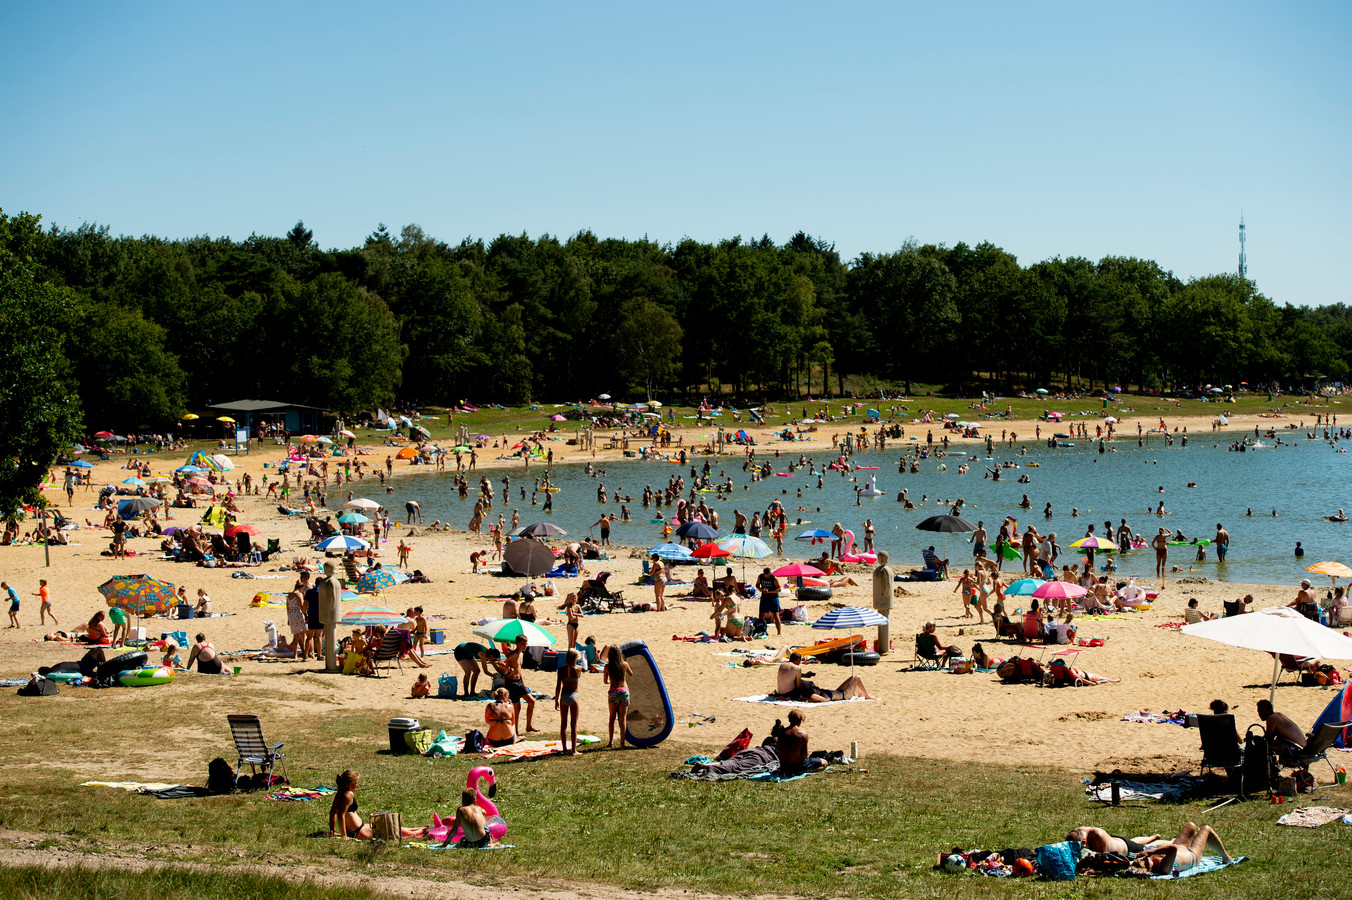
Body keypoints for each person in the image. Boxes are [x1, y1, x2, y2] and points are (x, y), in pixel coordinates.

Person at [328, 770, 427, 840]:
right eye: (356, 783)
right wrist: (344, 835)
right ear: (348, 784)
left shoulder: (340, 793)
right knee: (391, 830)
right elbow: (341, 815)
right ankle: (418, 832)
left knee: (389, 826)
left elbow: (333, 812)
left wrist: (333, 830)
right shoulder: (348, 795)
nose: (357, 785)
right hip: (359, 831)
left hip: (357, 829)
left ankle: (416, 828)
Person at [1132, 823, 1234, 875]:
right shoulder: (1163, 868)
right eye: (1145, 862)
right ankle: (1226, 858)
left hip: (1180, 846)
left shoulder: (1153, 859)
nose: (1145, 859)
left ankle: (1195, 840)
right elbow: (1172, 849)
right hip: (1192, 855)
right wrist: (1150, 852)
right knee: (1206, 829)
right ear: (1149, 868)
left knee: (1191, 825)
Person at [775, 652, 874, 702]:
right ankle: (866, 695)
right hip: (844, 695)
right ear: (797, 660)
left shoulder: (783, 665)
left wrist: (805, 677)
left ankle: (860, 694)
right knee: (857, 677)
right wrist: (822, 699)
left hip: (836, 692)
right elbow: (801, 688)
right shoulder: (811, 692)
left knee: (852, 678)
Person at [496, 635, 538, 734]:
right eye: (523, 644)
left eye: (526, 644)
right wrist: (508, 669)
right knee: (517, 707)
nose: (525, 646)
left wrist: (523, 683)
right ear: (517, 644)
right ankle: (516, 730)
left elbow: (519, 670)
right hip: (511, 683)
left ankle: (528, 726)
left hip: (519, 682)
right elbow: (500, 662)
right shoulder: (513, 654)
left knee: (531, 701)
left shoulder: (521, 655)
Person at [775, 710, 827, 776]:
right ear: (800, 721)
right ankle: (805, 771)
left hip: (784, 766)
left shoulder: (781, 733)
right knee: (825, 763)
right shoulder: (802, 735)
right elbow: (804, 755)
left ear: (789, 720)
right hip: (798, 765)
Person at [1257, 698, 1306, 763]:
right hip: (1302, 746)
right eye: (1259, 711)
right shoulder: (1278, 715)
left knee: (1261, 748)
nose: (1260, 714)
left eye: (1262, 711)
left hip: (1296, 749)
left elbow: (1268, 738)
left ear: (1269, 710)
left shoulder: (1271, 718)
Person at [1066, 826, 1166, 857]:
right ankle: (1152, 837)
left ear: (1084, 842)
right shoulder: (1077, 832)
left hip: (1127, 849)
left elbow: (1101, 859)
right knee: (1133, 841)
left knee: (1147, 847)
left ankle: (1171, 841)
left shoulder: (1098, 837)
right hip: (1116, 841)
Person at [603, 645, 633, 748]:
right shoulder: (624, 664)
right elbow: (631, 674)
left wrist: (610, 681)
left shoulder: (607, 666)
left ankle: (610, 742)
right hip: (624, 691)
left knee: (612, 718)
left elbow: (605, 681)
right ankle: (622, 743)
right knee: (622, 719)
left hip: (613, 692)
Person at [554, 648, 582, 755]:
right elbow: (577, 678)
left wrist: (556, 700)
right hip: (574, 696)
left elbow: (558, 687)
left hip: (564, 696)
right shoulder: (578, 669)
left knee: (563, 724)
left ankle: (565, 749)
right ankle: (574, 750)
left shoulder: (561, 670)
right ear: (575, 658)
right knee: (573, 724)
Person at [755, 567, 782, 635]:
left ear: (770, 573)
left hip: (773, 598)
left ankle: (779, 633)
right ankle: (761, 631)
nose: (766, 576)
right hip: (764, 597)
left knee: (776, 615)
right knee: (761, 615)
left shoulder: (774, 578)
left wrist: (770, 591)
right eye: (765, 575)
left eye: (767, 575)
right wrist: (760, 589)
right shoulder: (760, 576)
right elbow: (757, 585)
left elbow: (779, 589)